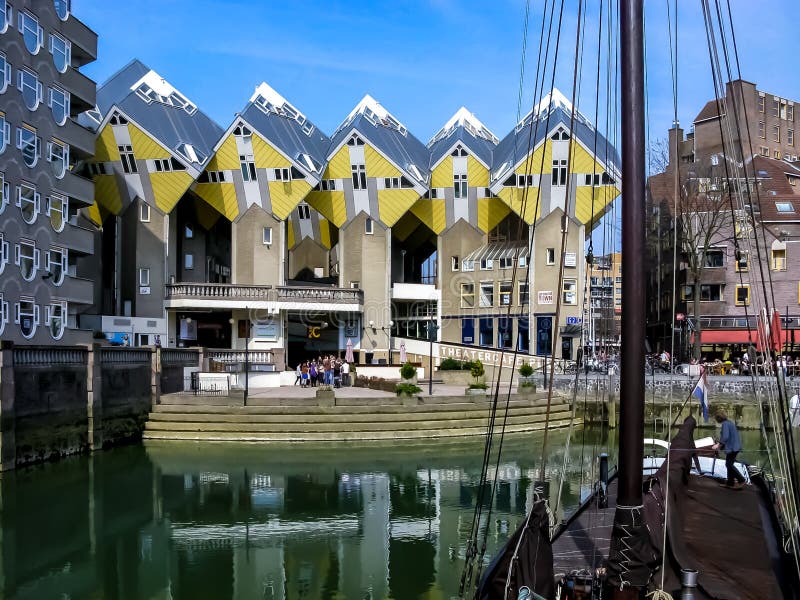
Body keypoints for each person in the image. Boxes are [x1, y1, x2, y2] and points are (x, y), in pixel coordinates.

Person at [712, 410, 745, 490]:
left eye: (716, 418)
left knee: (729, 465)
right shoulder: (729, 423)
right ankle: (730, 483)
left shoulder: (725, 424)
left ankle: (741, 480)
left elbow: (726, 436)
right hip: (735, 447)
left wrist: (718, 445)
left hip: (733, 448)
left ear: (719, 418)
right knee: (728, 464)